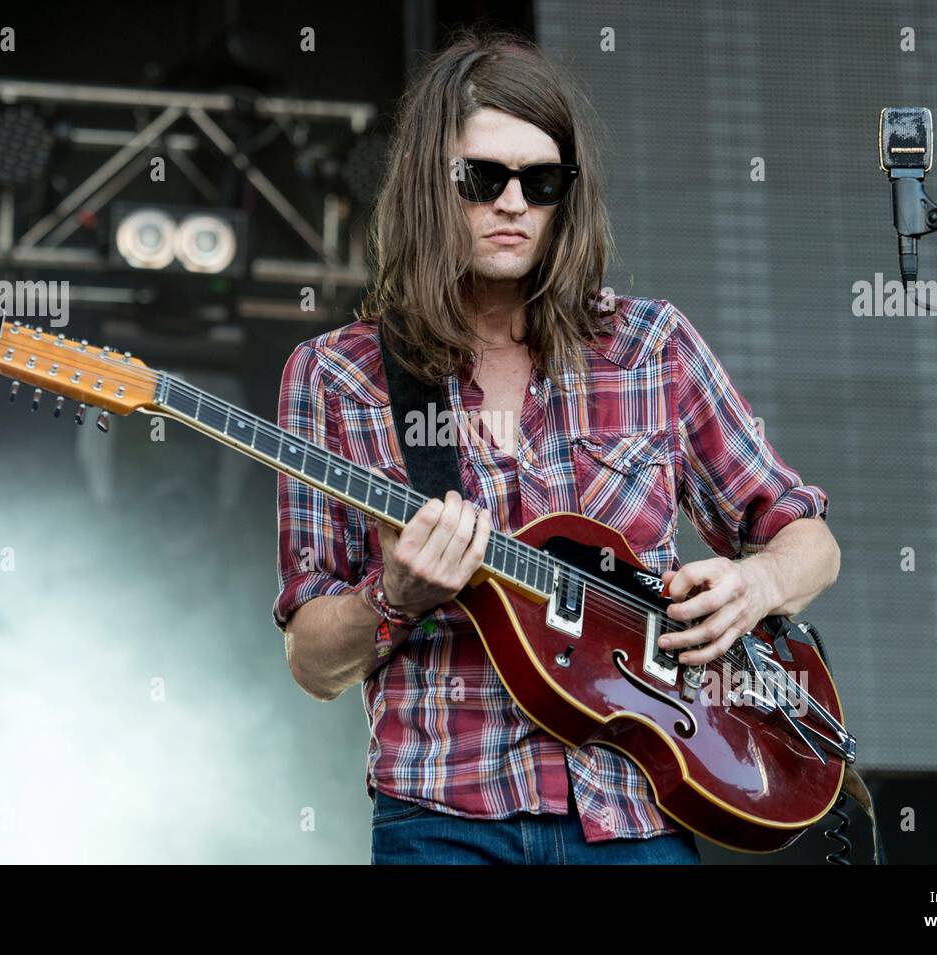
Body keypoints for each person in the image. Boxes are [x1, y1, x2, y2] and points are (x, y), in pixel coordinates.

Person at [273, 28, 839, 865]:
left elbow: (809, 541)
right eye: (482, 178)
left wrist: (756, 583)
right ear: (432, 186)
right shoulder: (336, 376)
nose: (513, 204)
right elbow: (313, 661)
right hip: (441, 814)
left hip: (636, 816)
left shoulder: (653, 347)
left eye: (541, 182)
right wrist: (395, 593)